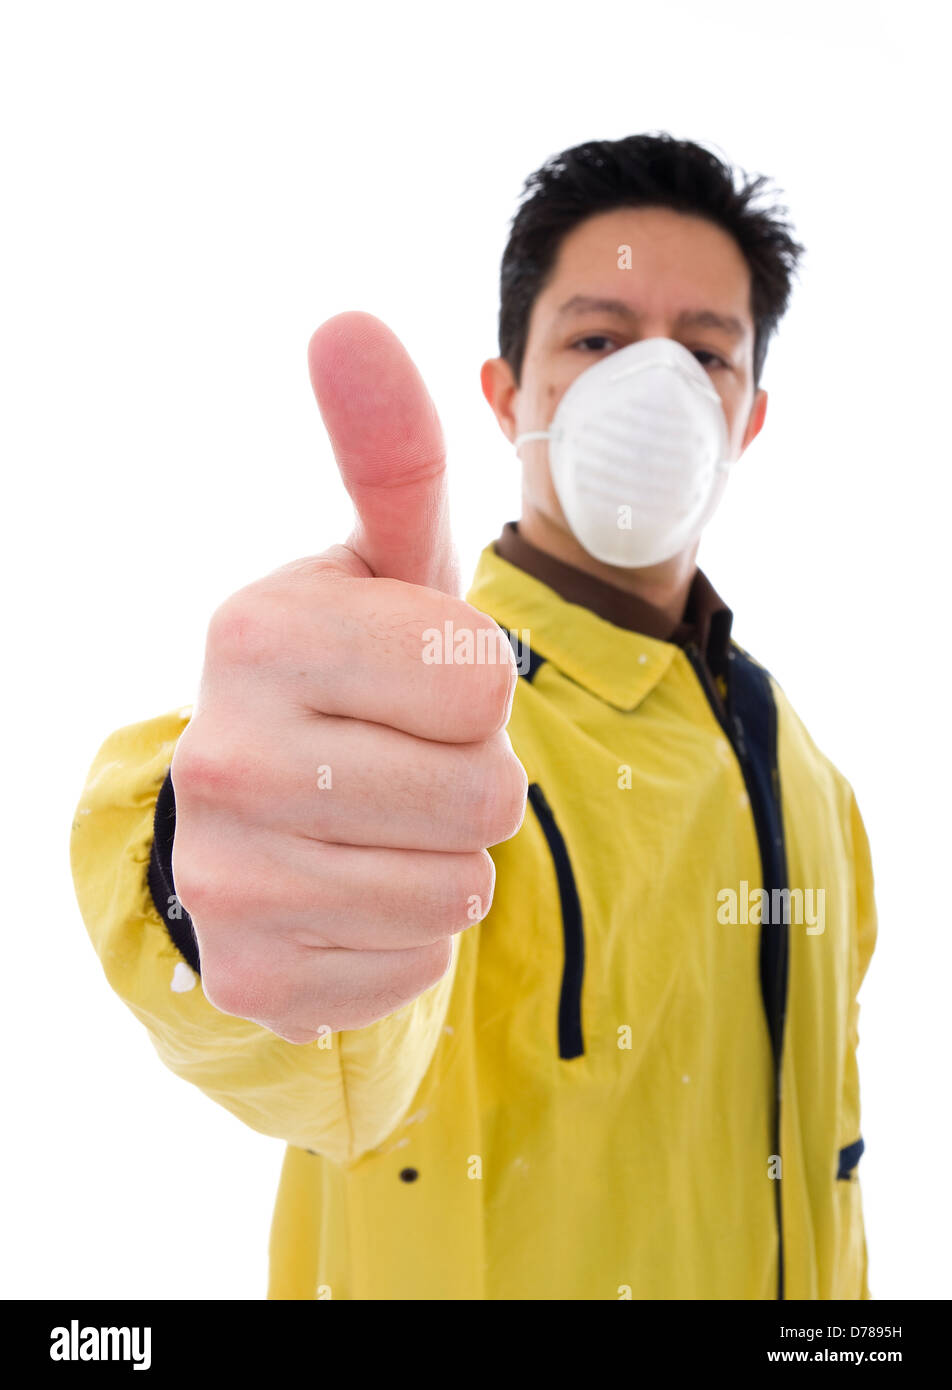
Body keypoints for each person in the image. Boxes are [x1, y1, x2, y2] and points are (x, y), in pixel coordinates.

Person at [70, 132, 876, 1300]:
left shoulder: (813, 777)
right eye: (598, 340)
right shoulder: (424, 719)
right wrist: (199, 882)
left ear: (747, 417)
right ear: (509, 395)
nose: (652, 387)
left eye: (705, 353)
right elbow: (331, 1053)